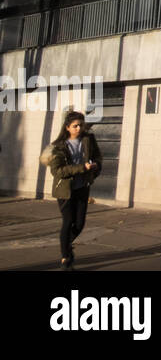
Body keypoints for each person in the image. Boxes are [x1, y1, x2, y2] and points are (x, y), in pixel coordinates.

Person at [41, 109, 102, 270]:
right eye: (75, 126)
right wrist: (82, 168)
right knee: (68, 222)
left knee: (80, 224)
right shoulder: (58, 146)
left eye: (81, 125)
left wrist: (95, 168)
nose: (79, 128)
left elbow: (98, 158)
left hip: (82, 187)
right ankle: (65, 257)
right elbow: (58, 171)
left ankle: (65, 246)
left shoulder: (89, 140)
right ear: (67, 127)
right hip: (65, 190)